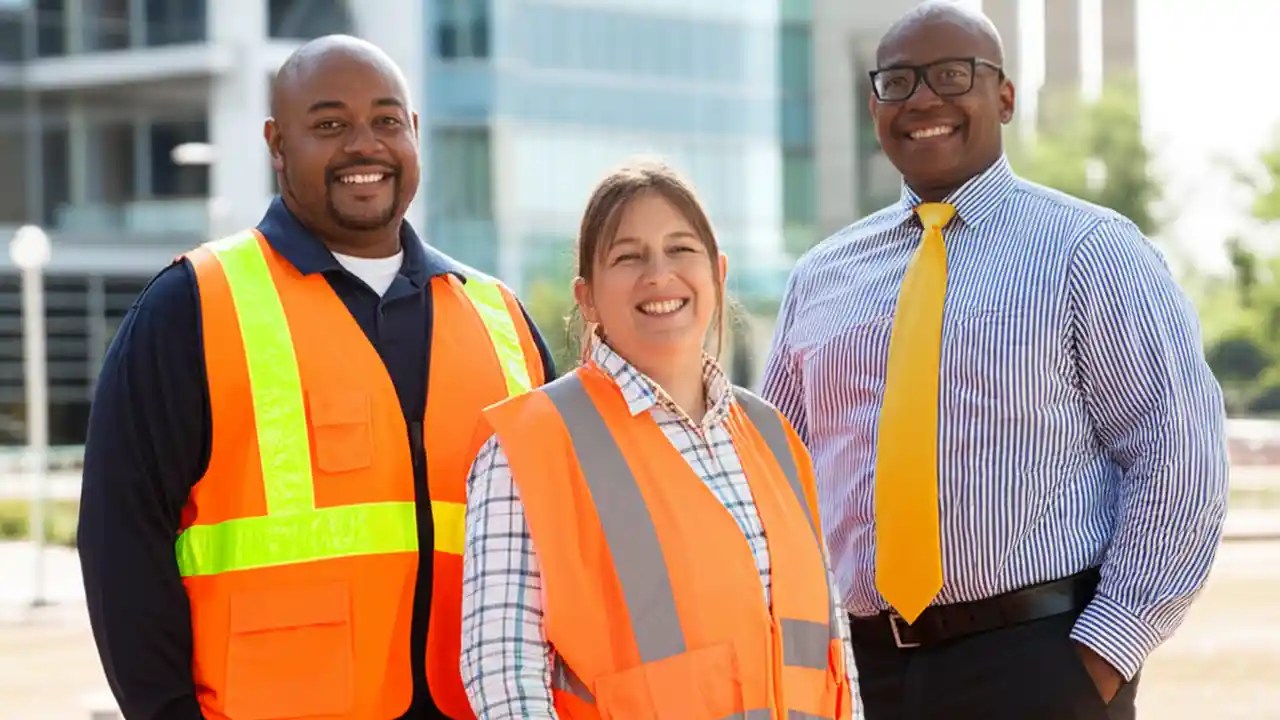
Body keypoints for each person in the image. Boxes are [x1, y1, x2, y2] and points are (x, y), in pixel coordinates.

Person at [759, 3, 1229, 719]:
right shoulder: (820, 278)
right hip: (860, 671)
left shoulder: (1090, 251)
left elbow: (1178, 457)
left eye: (952, 75)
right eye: (899, 82)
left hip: (1040, 662)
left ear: (1003, 96)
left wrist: (1099, 659)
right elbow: (777, 480)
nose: (923, 100)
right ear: (874, 104)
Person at [77, 35, 553, 720]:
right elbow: (120, 542)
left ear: (414, 133)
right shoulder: (193, 306)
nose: (365, 145)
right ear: (277, 144)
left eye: (386, 121)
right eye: (329, 125)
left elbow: (564, 541)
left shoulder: (501, 319)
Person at [457, 159, 860, 719]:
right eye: (628, 257)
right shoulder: (527, 447)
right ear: (588, 297)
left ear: (718, 275)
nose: (658, 275)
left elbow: (834, 655)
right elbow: (502, 672)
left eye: (680, 250)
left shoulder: (775, 436)